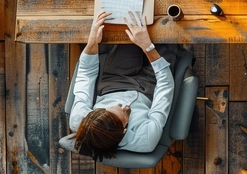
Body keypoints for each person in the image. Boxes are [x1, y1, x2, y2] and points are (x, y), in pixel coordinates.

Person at [69, 10, 175, 161]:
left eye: (110, 107)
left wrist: (92, 41)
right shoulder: (145, 139)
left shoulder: (79, 119)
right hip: (150, 90)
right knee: (168, 33)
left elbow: (86, 73)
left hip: (114, 81)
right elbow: (165, 86)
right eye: (125, 114)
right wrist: (148, 47)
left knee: (132, 26)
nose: (124, 106)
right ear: (124, 130)